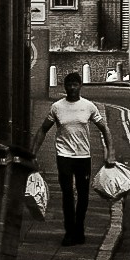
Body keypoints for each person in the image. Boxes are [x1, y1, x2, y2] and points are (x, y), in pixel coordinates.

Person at [48, 68, 99, 245]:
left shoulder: (89, 106)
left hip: (83, 156)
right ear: (65, 87)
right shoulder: (57, 107)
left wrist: (111, 153)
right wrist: (32, 153)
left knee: (83, 194)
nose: (72, 88)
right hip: (64, 155)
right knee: (67, 194)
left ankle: (79, 227)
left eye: (75, 84)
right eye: (69, 85)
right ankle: (69, 232)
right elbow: (42, 130)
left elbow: (104, 129)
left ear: (80, 86)